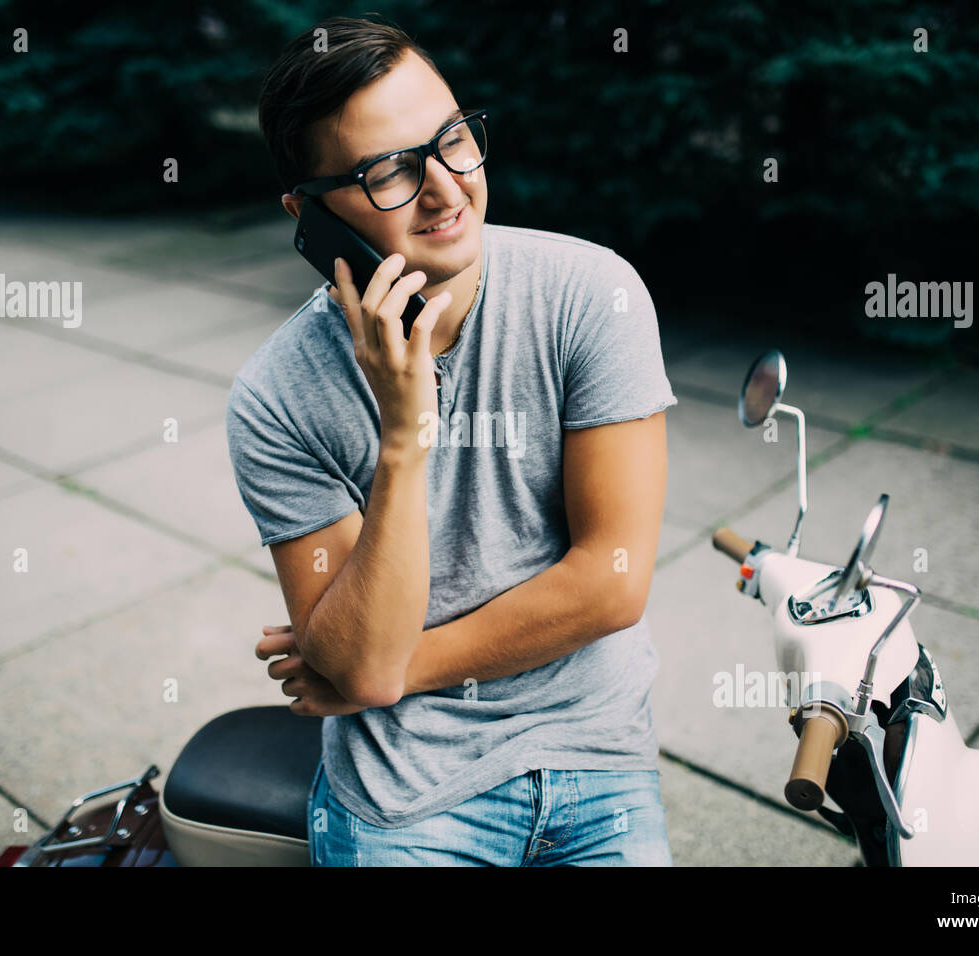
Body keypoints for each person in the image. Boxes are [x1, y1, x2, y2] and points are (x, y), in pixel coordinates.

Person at [226, 14, 679, 866]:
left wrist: (390, 668)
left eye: (452, 140)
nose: (444, 187)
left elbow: (611, 585)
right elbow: (359, 664)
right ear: (310, 216)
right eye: (388, 171)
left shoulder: (592, 295)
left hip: (593, 756)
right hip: (407, 793)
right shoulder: (276, 396)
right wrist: (405, 436)